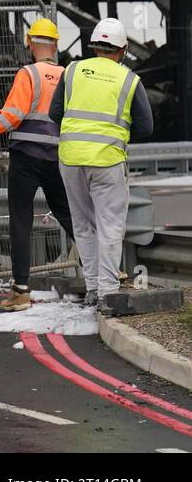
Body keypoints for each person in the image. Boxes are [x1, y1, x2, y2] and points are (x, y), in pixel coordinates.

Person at [0, 17, 74, 312]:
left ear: (30, 43)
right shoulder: (70, 76)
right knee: (71, 217)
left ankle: (21, 291)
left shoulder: (27, 74)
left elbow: (12, 116)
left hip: (26, 158)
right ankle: (107, 275)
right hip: (58, 157)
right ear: (56, 45)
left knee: (20, 221)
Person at [49, 17, 153, 308]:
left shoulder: (72, 71)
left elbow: (55, 113)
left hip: (70, 159)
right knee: (109, 226)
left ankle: (93, 286)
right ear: (123, 49)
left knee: (83, 225)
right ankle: (107, 291)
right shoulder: (129, 80)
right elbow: (146, 127)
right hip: (107, 160)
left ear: (94, 46)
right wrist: (116, 134)